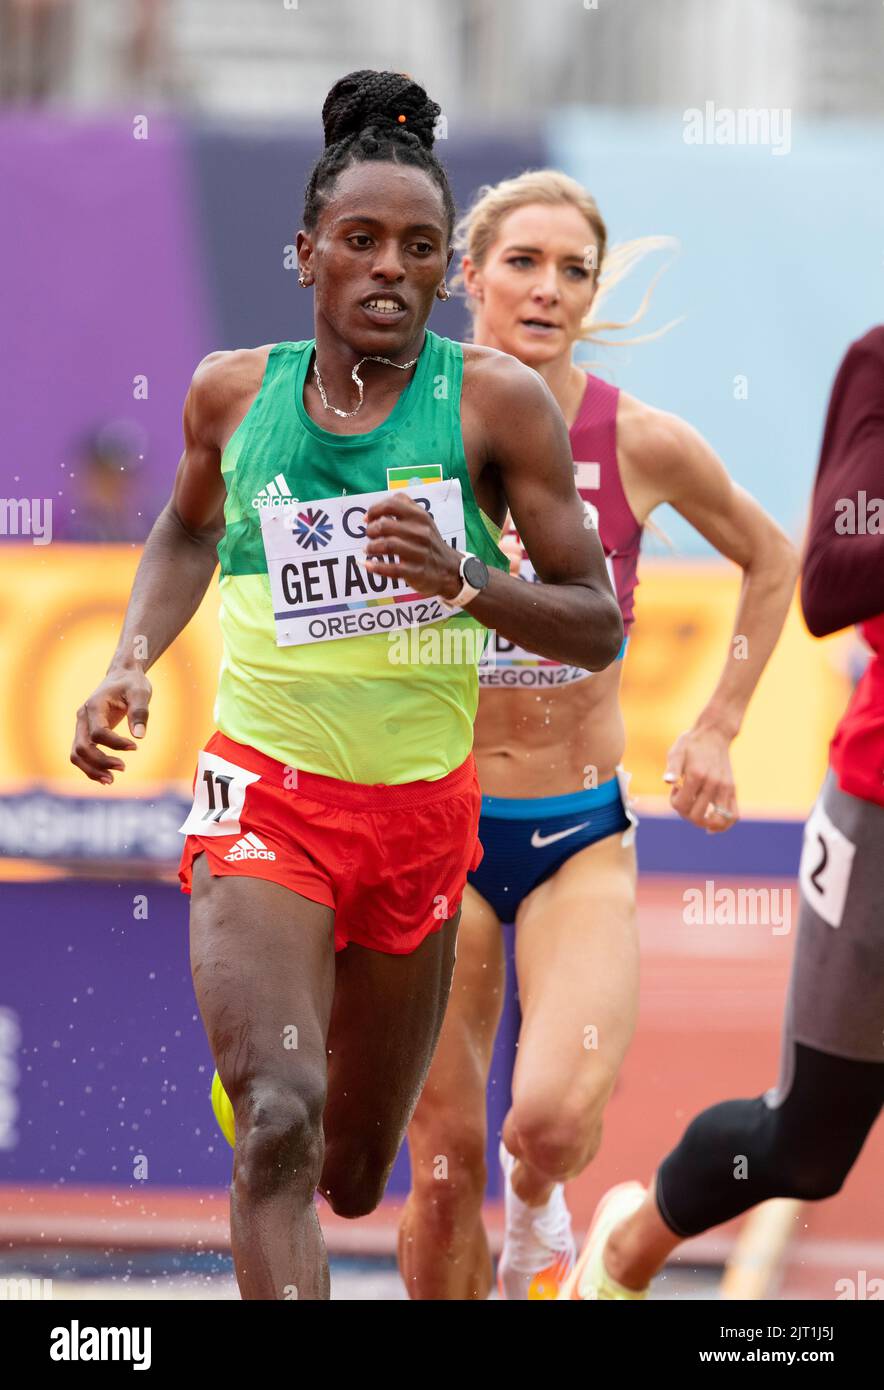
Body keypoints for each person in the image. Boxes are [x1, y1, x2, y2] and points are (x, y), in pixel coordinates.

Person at [68, 72, 623, 1301]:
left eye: (418, 249)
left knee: (359, 1171)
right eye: (359, 242)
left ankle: (284, 1080)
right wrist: (126, 659)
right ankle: (262, 1071)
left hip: (420, 819)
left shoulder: (494, 405)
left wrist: (467, 578)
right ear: (305, 252)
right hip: (264, 798)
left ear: (443, 275)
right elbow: (181, 532)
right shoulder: (230, 391)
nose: (388, 268)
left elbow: (596, 626)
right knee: (276, 1118)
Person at [396, 170, 799, 1300]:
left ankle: (541, 1213)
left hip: (575, 827)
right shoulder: (394, 419)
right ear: (465, 275)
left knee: (549, 1120)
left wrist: (719, 721)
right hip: (434, 829)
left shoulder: (638, 438)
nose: (547, 289)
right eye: (522, 262)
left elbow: (772, 561)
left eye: (572, 269)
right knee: (439, 1168)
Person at [562, 326, 884, 1300]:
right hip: (878, 802)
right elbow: (826, 582)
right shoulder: (877, 363)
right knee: (803, 1146)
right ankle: (624, 1252)